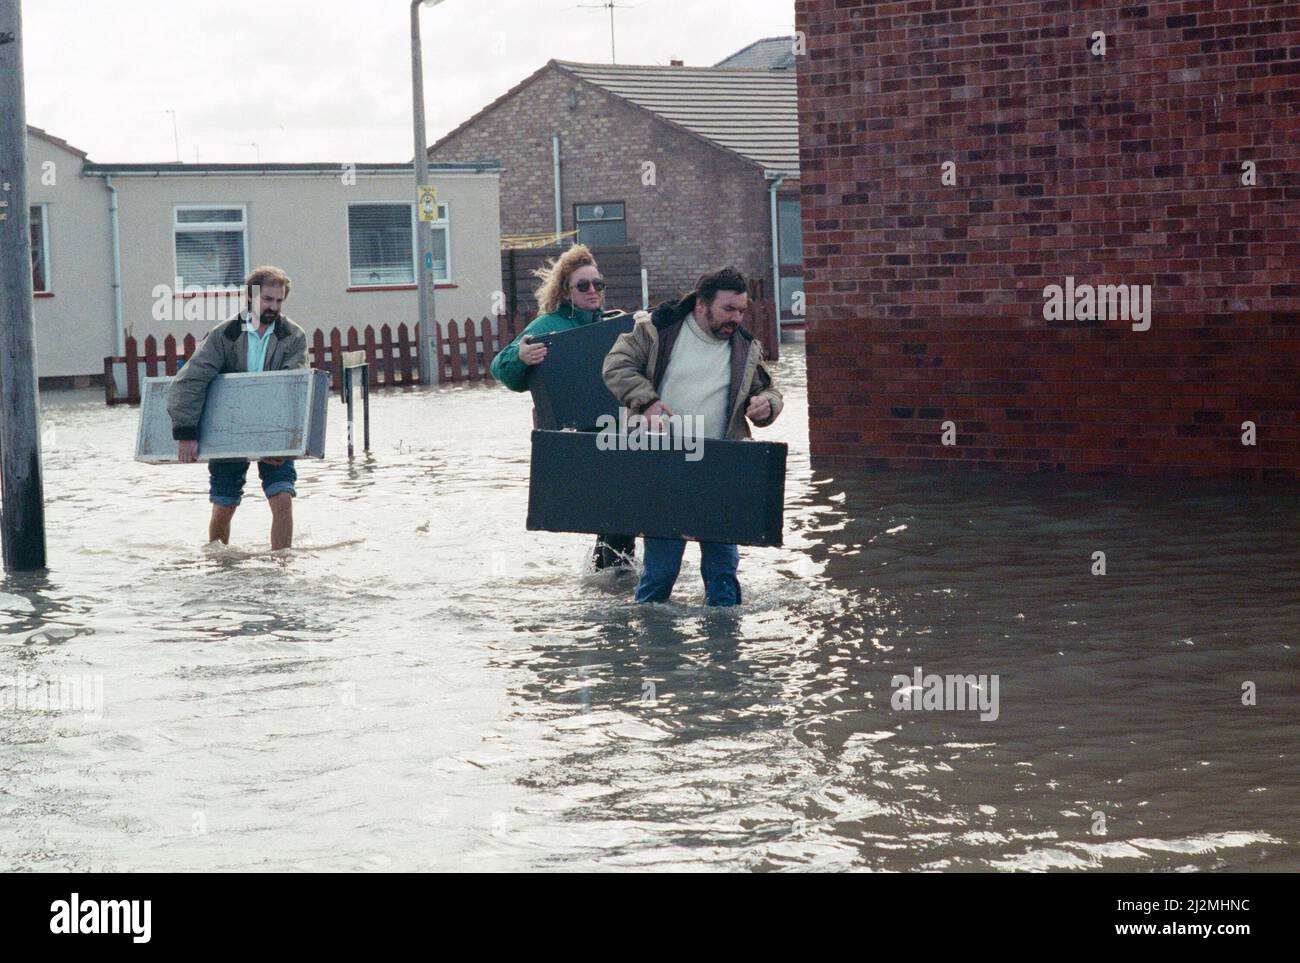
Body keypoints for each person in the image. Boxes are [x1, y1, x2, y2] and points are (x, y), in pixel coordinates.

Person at [602, 267, 783, 606]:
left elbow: (769, 391)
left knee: (723, 572)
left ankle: (726, 651)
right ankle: (652, 647)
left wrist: (765, 406)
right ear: (702, 305)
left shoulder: (746, 348)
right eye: (728, 309)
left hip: (718, 469)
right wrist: (648, 401)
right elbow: (615, 366)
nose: (736, 318)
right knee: (661, 570)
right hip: (663, 465)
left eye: (742, 310)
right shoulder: (656, 329)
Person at [490, 244, 636, 570]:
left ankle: (614, 584)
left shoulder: (613, 323)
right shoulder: (548, 326)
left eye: (598, 284)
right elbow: (501, 367)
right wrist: (521, 356)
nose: (593, 291)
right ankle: (611, 584)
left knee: (625, 513)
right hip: (580, 439)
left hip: (622, 434)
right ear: (566, 291)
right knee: (617, 514)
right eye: (583, 285)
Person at [167, 265, 308, 550]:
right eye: (268, 299)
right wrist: (186, 433)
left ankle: (281, 568)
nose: (273, 307)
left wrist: (278, 443)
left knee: (282, 498)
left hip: (274, 429)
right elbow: (190, 381)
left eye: (279, 301)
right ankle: (219, 566)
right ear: (250, 297)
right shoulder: (225, 334)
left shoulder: (294, 336)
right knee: (224, 503)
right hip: (229, 427)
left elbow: (292, 389)